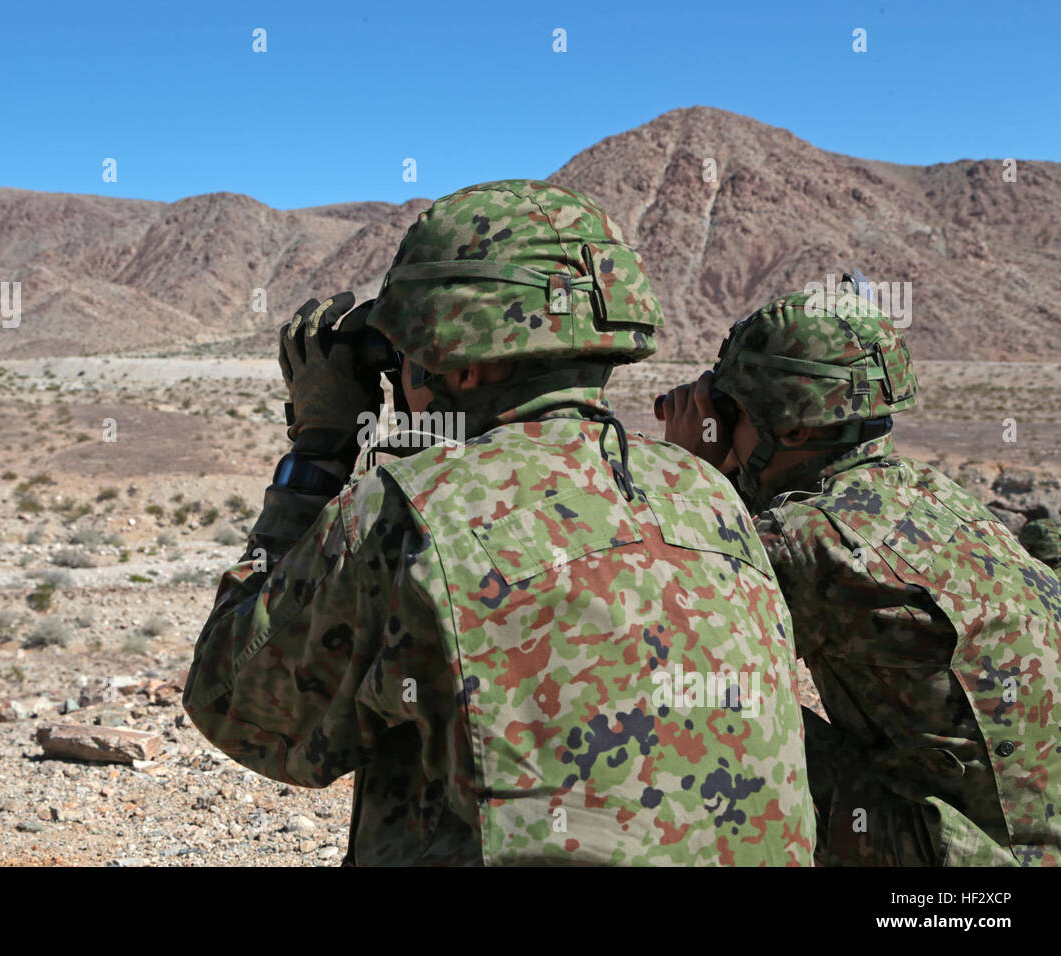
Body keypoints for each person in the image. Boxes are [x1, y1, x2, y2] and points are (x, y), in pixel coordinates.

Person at [182, 180, 813, 866]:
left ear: (452, 354)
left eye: (403, 354)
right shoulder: (708, 494)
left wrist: (318, 451)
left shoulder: (407, 510)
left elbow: (234, 703)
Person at [658, 284, 1061, 866]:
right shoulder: (932, 494)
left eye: (732, 413)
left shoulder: (807, 540)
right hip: (1022, 841)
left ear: (791, 430)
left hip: (973, 871)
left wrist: (687, 467)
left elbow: (656, 615)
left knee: (690, 700)